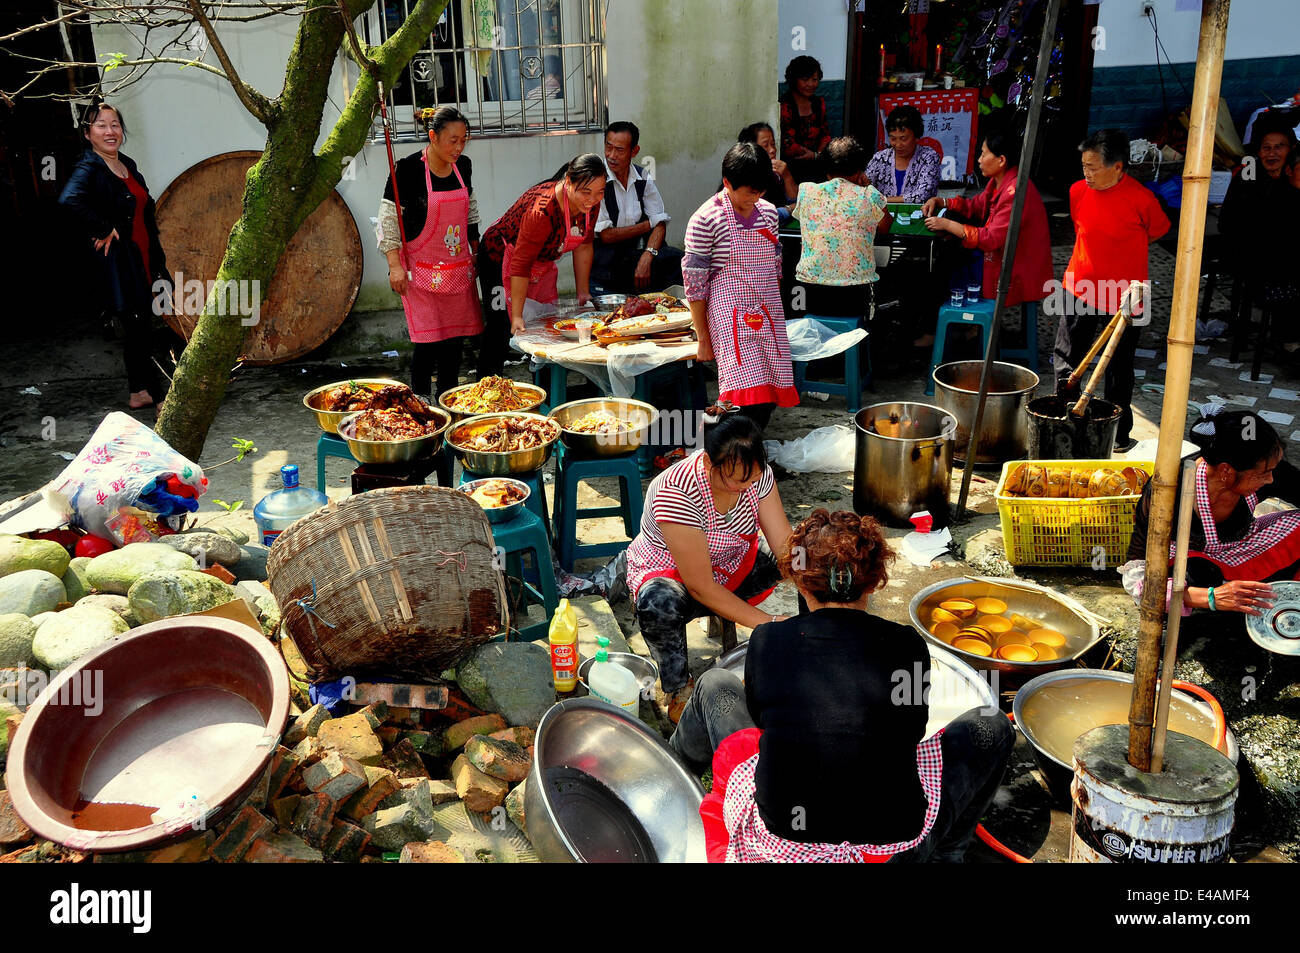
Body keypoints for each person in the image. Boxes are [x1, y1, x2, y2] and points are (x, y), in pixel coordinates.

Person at [670, 508, 1015, 863]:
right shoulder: (906, 645)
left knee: (715, 683)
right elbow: (912, 729)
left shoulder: (768, 640)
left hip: (782, 846)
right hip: (893, 846)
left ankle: (669, 781)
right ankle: (947, 854)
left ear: (800, 582)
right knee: (993, 726)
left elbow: (761, 721)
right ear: (876, 580)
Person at [624, 405, 793, 722]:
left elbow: (785, 545)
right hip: (677, 578)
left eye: (750, 478)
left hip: (731, 561)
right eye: (732, 480)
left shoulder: (758, 476)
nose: (742, 488)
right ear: (707, 462)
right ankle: (678, 687)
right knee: (656, 604)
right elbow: (700, 585)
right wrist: (768, 623)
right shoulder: (676, 491)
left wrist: (815, 573)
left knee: (802, 558)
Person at [1053, 129, 1171, 453]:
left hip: (1128, 295)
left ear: (1118, 167)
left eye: (1093, 167)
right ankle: (1065, 424)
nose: (1086, 173)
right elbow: (1082, 227)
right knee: (1067, 361)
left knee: (1119, 368)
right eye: (1084, 166)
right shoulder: (1078, 191)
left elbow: (1159, 230)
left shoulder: (1142, 199)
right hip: (1079, 286)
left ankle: (1117, 434)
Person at [1122, 409, 1300, 618]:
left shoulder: (1263, 468)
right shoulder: (1168, 490)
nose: (1270, 480)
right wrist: (1212, 597)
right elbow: (1138, 574)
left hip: (1240, 550)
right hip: (1193, 568)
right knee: (1197, 574)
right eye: (1262, 475)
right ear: (1226, 471)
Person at [59, 101, 171, 409]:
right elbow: (69, 200)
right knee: (141, 328)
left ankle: (139, 392)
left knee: (139, 325)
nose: (110, 131)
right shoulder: (89, 167)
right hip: (123, 261)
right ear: (87, 133)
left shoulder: (127, 164)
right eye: (101, 126)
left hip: (144, 252)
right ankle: (159, 396)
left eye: (115, 125)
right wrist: (103, 227)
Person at [684, 143, 799, 429]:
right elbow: (695, 286)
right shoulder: (705, 220)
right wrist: (703, 338)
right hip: (730, 316)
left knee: (771, 389)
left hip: (768, 309)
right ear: (727, 183)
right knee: (743, 396)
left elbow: (776, 266)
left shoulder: (769, 213)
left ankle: (749, 454)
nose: (756, 197)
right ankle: (732, 455)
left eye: (761, 191)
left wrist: (777, 313)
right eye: (750, 191)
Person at [378, 106, 482, 400]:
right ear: (433, 136)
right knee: (427, 344)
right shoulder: (407, 169)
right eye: (453, 140)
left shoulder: (464, 167)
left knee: (454, 344)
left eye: (464, 140)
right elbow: (388, 220)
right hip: (420, 271)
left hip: (458, 269)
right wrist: (394, 265)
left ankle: (448, 404)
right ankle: (421, 406)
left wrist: (476, 250)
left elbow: (471, 212)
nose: (459, 147)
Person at [919, 129, 1053, 351]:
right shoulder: (999, 181)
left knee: (947, 264)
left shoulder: (1014, 191)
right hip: (1001, 256)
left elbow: (991, 239)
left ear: (1001, 160)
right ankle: (960, 328)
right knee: (947, 258)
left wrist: (948, 225)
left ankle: (962, 329)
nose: (979, 160)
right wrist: (942, 201)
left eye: (983, 154)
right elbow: (976, 206)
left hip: (1015, 266)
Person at [476, 154, 604, 377]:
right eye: (586, 192)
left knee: (546, 323)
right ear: (569, 182)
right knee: (501, 326)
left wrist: (583, 293)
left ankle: (543, 388)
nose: (592, 200)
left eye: (600, 192)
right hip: (500, 258)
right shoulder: (542, 209)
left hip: (541, 264)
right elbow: (521, 264)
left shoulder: (591, 204)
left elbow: (584, 245)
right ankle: (484, 387)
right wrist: (516, 316)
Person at [1219, 115, 1300, 349]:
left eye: (1279, 147)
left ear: (1291, 149)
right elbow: (1234, 221)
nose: (1272, 154)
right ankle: (1289, 342)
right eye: (1266, 148)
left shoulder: (1294, 175)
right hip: (1253, 256)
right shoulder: (1250, 171)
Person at [792, 136, 892, 316]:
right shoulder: (869, 195)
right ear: (860, 168)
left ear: (826, 167)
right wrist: (867, 186)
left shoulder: (806, 191)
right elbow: (885, 226)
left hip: (811, 287)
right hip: (856, 290)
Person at [591, 121, 683, 294]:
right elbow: (606, 235)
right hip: (605, 266)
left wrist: (648, 255)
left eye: (619, 150)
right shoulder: (597, 180)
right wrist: (647, 225)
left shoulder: (642, 176)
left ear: (634, 151)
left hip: (634, 258)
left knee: (676, 259)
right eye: (608, 147)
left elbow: (660, 224)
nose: (611, 155)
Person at [865, 105, 942, 204]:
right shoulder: (880, 158)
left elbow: (921, 196)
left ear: (917, 136)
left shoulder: (928, 157)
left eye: (903, 139)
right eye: (893, 139)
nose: (898, 145)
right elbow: (865, 190)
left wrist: (882, 201)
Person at [779, 55, 831, 183]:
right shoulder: (785, 105)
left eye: (815, 79)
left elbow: (825, 134)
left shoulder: (819, 103)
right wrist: (809, 154)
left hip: (817, 165)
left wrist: (816, 155)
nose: (811, 84)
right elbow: (787, 143)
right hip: (791, 168)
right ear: (794, 80)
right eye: (805, 79)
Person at [737, 122, 797, 213]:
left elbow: (795, 202)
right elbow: (756, 217)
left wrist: (787, 177)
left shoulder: (775, 174)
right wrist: (788, 210)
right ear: (752, 149)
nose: (772, 150)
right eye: (765, 146)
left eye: (773, 144)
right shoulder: (744, 177)